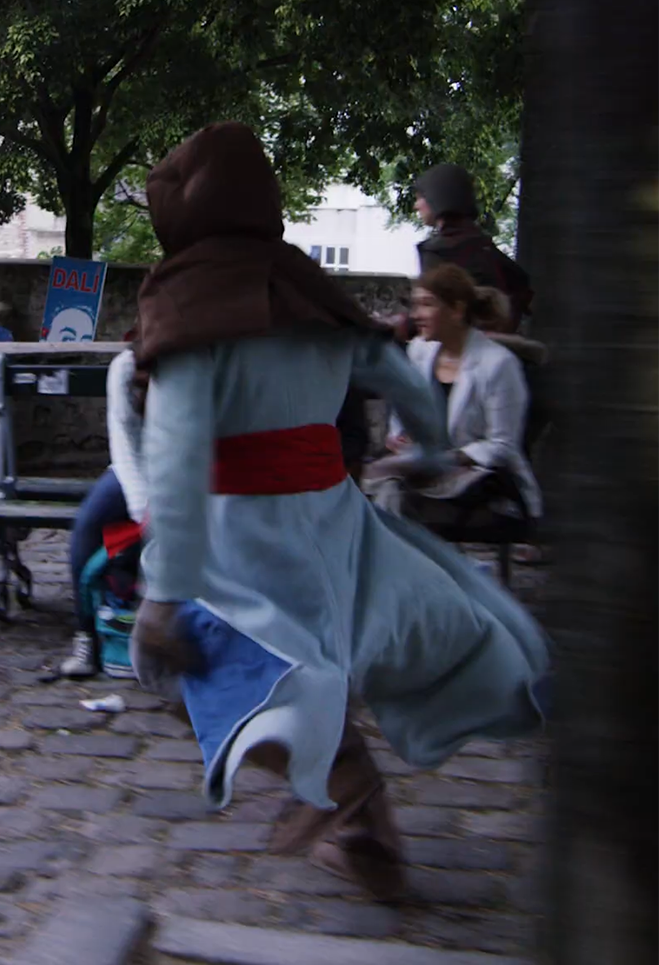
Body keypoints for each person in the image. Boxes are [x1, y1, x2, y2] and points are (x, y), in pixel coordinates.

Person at [126, 122, 549, 901]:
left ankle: (355, 801)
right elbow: (407, 381)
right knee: (301, 666)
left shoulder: (188, 312)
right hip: (331, 521)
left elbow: (181, 458)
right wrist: (424, 454)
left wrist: (164, 594)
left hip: (237, 536)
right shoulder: (308, 292)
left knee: (207, 672)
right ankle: (360, 822)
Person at [368, 265, 541, 530]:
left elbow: (503, 445)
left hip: (485, 484)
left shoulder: (497, 364)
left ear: (457, 310)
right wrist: (400, 438)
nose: (416, 315)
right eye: (415, 305)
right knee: (378, 490)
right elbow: (403, 413)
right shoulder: (419, 352)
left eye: (427, 305)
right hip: (426, 474)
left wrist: (451, 458)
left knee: (394, 502)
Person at [60, 347, 148, 679]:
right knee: (87, 526)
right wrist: (143, 510)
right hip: (133, 470)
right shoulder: (125, 368)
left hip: (186, 472)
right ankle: (86, 637)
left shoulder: (198, 362)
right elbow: (126, 448)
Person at [415, 163, 532, 331]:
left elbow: (434, 312)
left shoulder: (438, 252)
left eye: (420, 197)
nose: (416, 205)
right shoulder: (483, 246)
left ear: (437, 197)